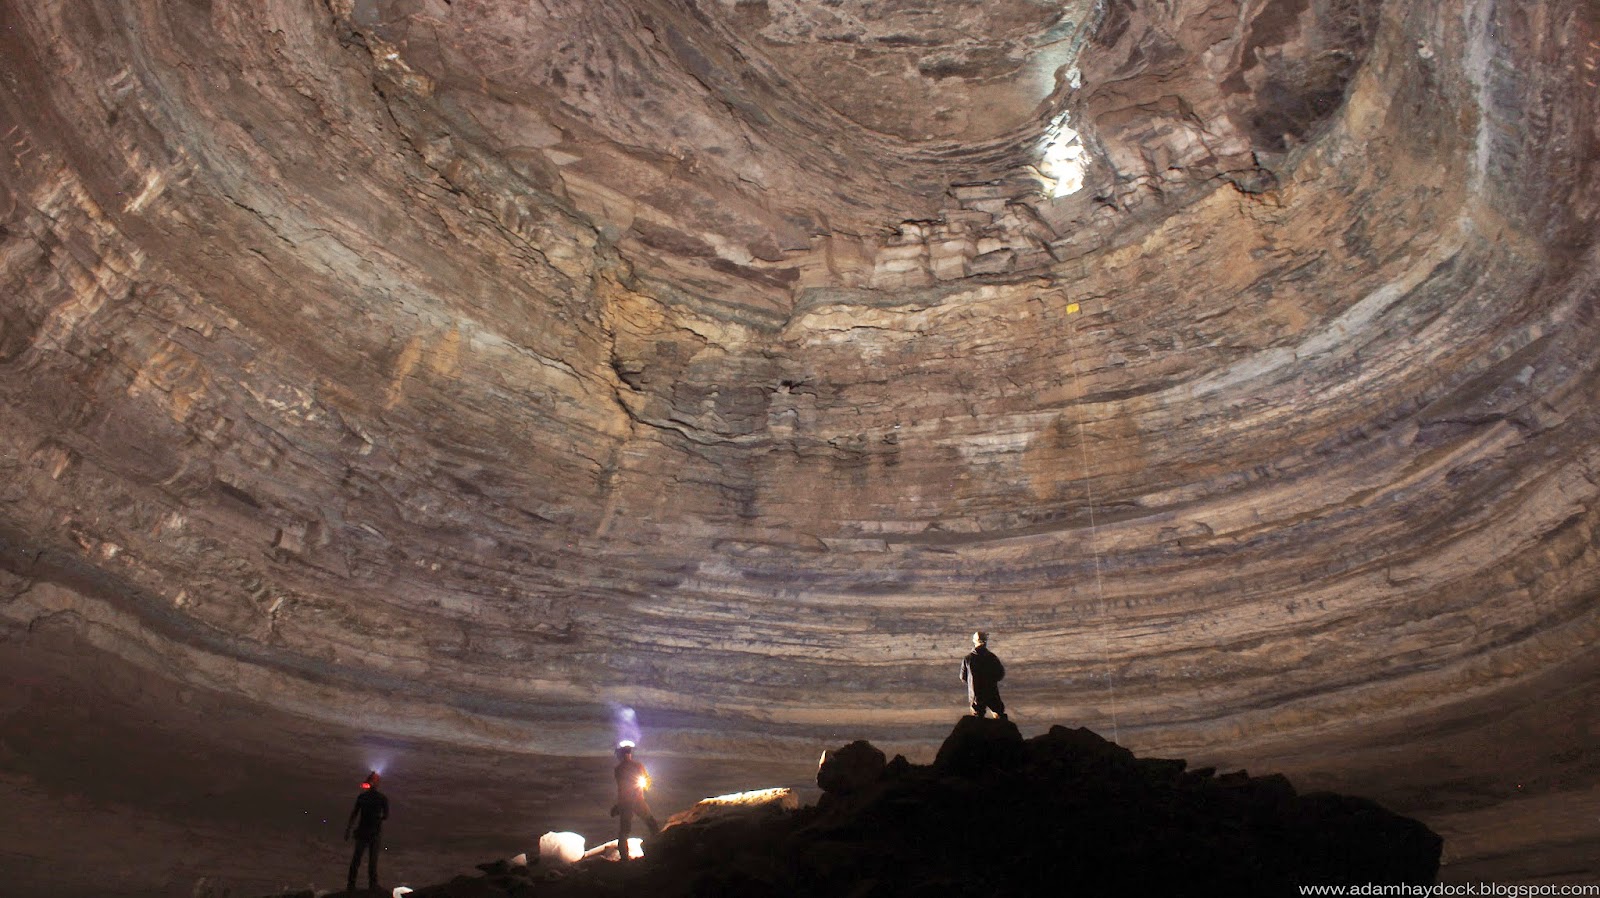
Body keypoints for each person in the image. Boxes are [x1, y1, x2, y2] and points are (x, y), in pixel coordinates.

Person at [611, 742, 659, 860]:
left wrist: (619, 805)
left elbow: (622, 787)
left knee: (625, 830)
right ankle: (658, 847)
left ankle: (624, 858)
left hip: (626, 802)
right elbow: (647, 781)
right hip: (637, 800)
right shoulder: (638, 766)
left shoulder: (618, 769)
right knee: (651, 824)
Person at [344, 770, 389, 893]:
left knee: (356, 859)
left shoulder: (362, 797)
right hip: (374, 833)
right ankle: (372, 885)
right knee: (372, 861)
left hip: (362, 832)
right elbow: (386, 816)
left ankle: (351, 884)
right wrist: (378, 819)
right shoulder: (382, 798)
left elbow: (354, 814)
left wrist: (348, 830)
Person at [960, 631, 1007, 720]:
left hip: (976, 695)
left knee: (977, 718)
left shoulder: (968, 659)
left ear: (974, 641)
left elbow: (963, 677)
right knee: (999, 714)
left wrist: (972, 682)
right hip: (992, 692)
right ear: (986, 641)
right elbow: (1000, 674)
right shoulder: (992, 657)